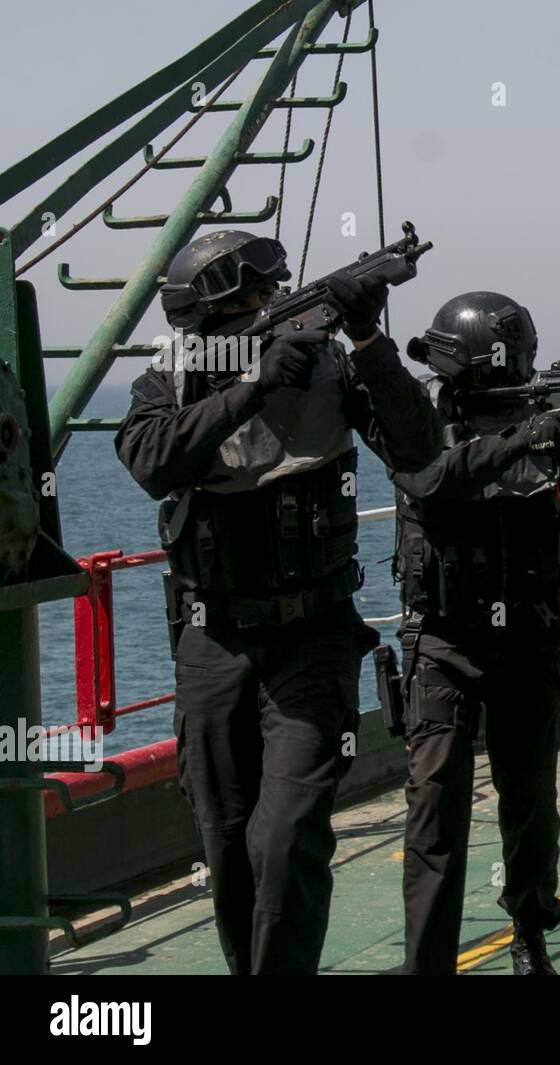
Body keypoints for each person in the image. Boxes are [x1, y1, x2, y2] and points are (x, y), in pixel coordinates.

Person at [115, 230, 439, 974]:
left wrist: (366, 334)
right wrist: (252, 386)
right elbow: (152, 462)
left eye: (275, 293)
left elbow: (419, 449)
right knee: (226, 841)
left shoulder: (331, 364)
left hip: (314, 636)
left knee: (288, 834)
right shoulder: (167, 380)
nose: (270, 307)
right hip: (213, 640)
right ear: (205, 317)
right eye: (252, 299)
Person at [393, 291, 560, 975]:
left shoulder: (540, 416)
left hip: (528, 631)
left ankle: (530, 928)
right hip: (441, 638)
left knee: (531, 801)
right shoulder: (419, 420)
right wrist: (525, 437)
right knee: (434, 807)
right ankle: (428, 962)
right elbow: (431, 480)